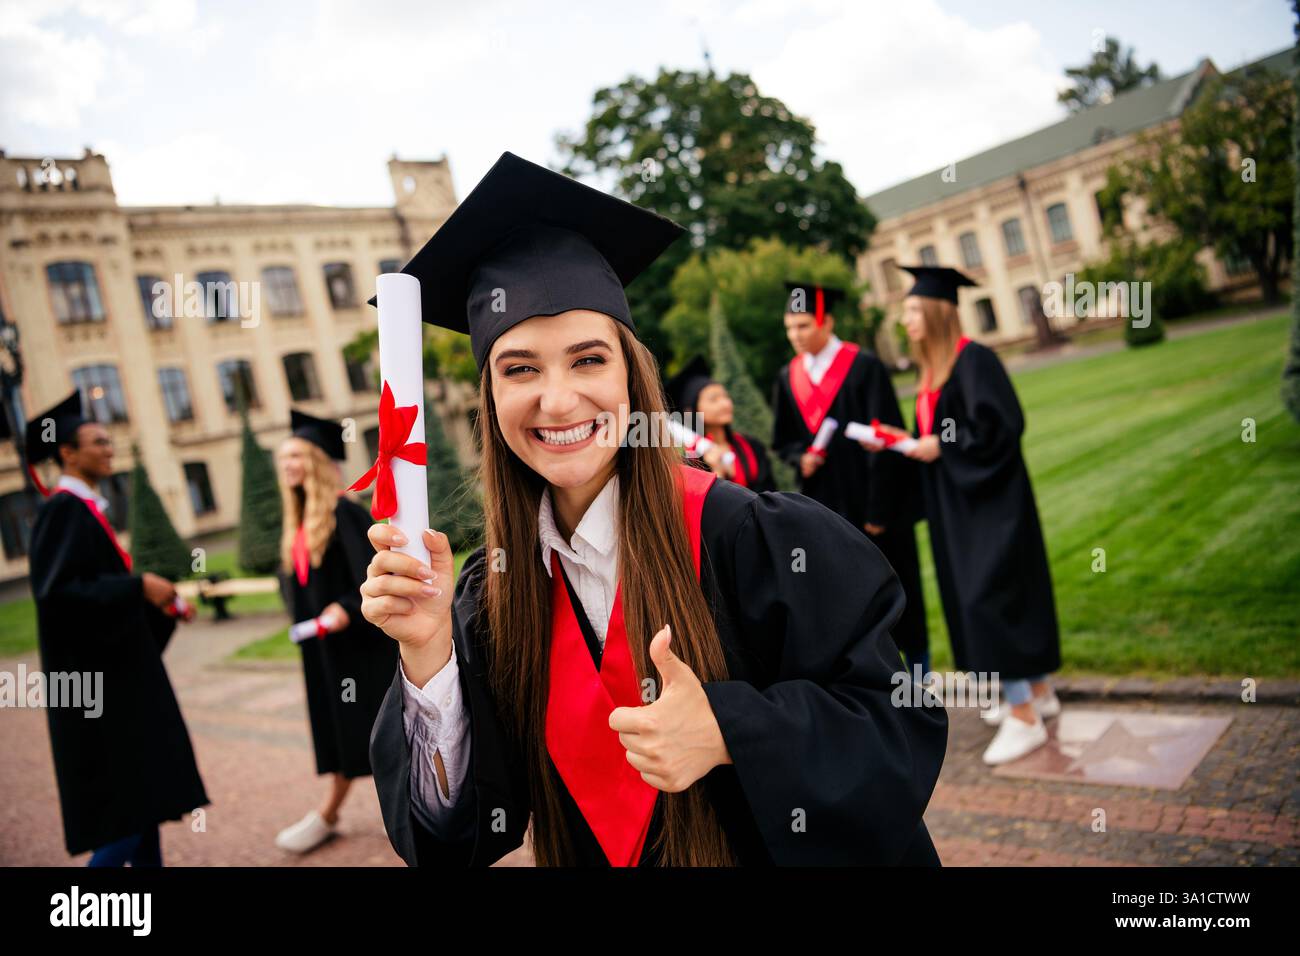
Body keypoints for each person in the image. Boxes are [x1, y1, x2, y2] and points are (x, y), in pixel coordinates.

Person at [358, 151, 947, 867]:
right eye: (520, 369)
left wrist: (734, 731)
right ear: (490, 398)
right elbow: (457, 838)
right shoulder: (492, 595)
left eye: (587, 359)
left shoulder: (755, 539)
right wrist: (428, 657)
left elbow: (899, 728)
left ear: (631, 376)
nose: (558, 399)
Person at [881, 265, 1062, 766]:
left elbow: (1002, 428)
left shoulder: (974, 361)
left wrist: (941, 444)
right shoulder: (934, 371)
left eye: (915, 311)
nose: (907, 320)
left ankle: (1024, 715)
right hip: (956, 506)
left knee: (991, 600)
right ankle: (1038, 691)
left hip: (990, 506)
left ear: (938, 313)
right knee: (984, 597)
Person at [25, 392, 208, 865]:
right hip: (103, 696)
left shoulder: (85, 509)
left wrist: (156, 605)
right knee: (127, 811)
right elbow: (59, 595)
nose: (110, 448)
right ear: (67, 452)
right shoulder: (63, 508)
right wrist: (138, 587)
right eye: (99, 441)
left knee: (142, 804)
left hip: (119, 686)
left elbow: (96, 596)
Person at [771, 283, 930, 675]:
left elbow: (887, 436)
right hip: (827, 508)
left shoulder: (864, 366)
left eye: (804, 326)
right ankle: (871, 682)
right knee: (847, 597)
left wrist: (879, 511)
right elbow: (783, 441)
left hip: (877, 506)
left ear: (827, 322)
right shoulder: (787, 378)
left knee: (899, 591)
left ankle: (918, 679)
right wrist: (800, 458)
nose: (796, 336)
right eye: (790, 328)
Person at [273, 410, 399, 852]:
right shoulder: (298, 521)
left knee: (378, 734)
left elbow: (369, 574)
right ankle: (342, 813)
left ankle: (387, 813)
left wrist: (345, 609)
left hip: (358, 650)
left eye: (296, 455)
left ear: (317, 461)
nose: (287, 465)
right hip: (323, 652)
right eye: (283, 457)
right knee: (346, 735)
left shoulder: (344, 512)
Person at [664, 355, 776, 492]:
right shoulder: (691, 460)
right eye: (714, 399)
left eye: (725, 396)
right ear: (692, 410)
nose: (725, 403)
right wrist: (718, 471)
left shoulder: (752, 446)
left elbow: (770, 492)